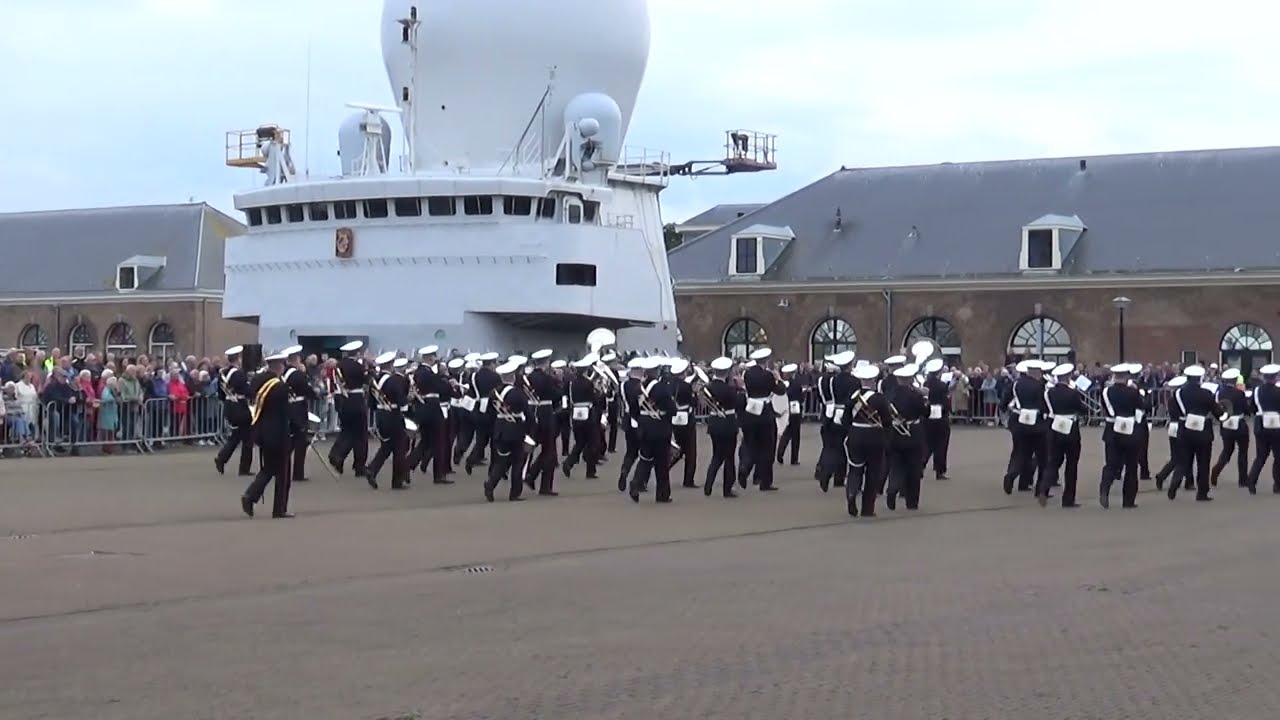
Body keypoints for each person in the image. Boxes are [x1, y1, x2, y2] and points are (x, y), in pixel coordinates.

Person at [240, 350, 296, 519]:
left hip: (261, 430)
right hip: (278, 433)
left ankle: (251, 496)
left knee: (269, 468)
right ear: (278, 365)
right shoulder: (280, 386)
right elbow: (286, 413)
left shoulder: (257, 381)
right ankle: (279, 509)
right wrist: (300, 427)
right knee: (283, 473)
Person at [843, 362, 892, 517]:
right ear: (873, 381)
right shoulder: (879, 399)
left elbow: (845, 420)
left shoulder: (852, 398)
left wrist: (852, 430)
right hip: (875, 438)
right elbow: (887, 422)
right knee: (873, 472)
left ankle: (851, 494)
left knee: (855, 469)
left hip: (856, 435)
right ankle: (867, 509)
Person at [628, 356, 678, 503]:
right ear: (656, 371)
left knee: (645, 458)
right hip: (660, 427)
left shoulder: (637, 387)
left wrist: (642, 420)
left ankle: (636, 483)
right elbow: (672, 410)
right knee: (662, 463)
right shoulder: (662, 388)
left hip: (644, 426)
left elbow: (633, 410)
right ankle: (662, 494)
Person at [737, 347, 786, 490]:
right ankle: (765, 482)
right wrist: (778, 379)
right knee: (767, 448)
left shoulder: (747, 374)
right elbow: (781, 391)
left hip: (751, 412)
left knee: (750, 444)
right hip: (765, 413)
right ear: (766, 361)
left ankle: (744, 467)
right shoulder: (768, 375)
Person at [1037, 363, 1084, 508]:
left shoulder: (1048, 393)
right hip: (1071, 428)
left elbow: (1043, 408)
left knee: (1053, 461)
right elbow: (1082, 409)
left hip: (1054, 427)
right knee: (1071, 465)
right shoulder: (1073, 393)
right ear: (1068, 376)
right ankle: (1068, 499)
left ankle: (1043, 488)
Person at [1001, 360, 1049, 494]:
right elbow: (1045, 405)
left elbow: (1004, 402)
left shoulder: (1015, 384)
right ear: (1037, 372)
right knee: (1042, 457)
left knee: (1019, 452)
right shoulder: (1041, 386)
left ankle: (1011, 475)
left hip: (1019, 421)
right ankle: (1040, 488)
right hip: (1037, 424)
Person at [1169, 364, 1216, 502]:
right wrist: (1224, 416)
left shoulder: (1178, 393)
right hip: (1203, 430)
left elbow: (1174, 411)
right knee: (1203, 463)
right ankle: (1202, 493)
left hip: (1185, 429)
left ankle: (1174, 485)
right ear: (1199, 378)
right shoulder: (1206, 393)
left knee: (1183, 461)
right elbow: (1216, 410)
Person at [484, 360, 528, 502]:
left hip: (500, 428)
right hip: (514, 429)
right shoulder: (517, 393)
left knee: (501, 461)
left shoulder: (493, 392)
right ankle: (515, 493)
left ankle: (490, 485)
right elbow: (525, 410)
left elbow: (488, 411)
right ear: (512, 376)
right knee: (517, 462)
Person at [884, 363, 927, 511]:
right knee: (914, 468)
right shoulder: (915, 395)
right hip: (913, 433)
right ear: (909, 379)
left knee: (896, 466)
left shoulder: (890, 395)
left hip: (894, 433)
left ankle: (892, 489)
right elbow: (925, 412)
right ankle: (912, 502)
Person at [366, 353, 411, 490]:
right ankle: (397, 481)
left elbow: (371, 402)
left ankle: (372, 469)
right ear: (391, 365)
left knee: (386, 446)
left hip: (381, 415)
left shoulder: (374, 380)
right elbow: (401, 401)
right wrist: (407, 403)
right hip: (393, 416)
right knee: (400, 448)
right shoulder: (393, 380)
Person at [328, 340, 370, 478]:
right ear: (357, 352)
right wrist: (368, 365)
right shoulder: (358, 366)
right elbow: (368, 380)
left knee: (346, 432)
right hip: (357, 400)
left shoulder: (338, 366)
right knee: (361, 435)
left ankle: (337, 455)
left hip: (344, 401)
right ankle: (359, 465)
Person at [702, 356, 742, 498]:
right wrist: (740, 388)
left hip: (714, 422)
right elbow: (738, 404)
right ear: (727, 371)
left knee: (717, 455)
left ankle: (709, 483)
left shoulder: (709, 387)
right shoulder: (729, 389)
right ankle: (727, 488)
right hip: (728, 423)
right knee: (729, 458)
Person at [816, 352, 855, 492]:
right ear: (850, 365)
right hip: (848, 414)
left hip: (834, 414)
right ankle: (836, 476)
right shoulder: (854, 381)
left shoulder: (832, 380)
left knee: (834, 446)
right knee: (844, 448)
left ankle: (831, 475)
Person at [215, 345, 253, 476]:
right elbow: (247, 391)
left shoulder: (223, 374)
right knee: (248, 438)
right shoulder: (239, 374)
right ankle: (244, 468)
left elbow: (220, 393)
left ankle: (222, 458)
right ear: (238, 358)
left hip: (229, 406)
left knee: (237, 436)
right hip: (240, 408)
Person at [561, 354, 602, 479]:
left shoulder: (570, 383)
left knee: (579, 442)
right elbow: (594, 400)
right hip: (588, 415)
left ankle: (569, 462)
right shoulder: (588, 383)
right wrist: (599, 392)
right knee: (593, 443)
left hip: (575, 414)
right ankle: (590, 471)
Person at [1209, 368, 1251, 489]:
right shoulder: (1239, 393)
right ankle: (1243, 479)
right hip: (1239, 423)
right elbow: (1245, 408)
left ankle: (1216, 470)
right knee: (1242, 452)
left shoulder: (1219, 392)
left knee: (1227, 450)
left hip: (1226, 423)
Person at [281, 346, 315, 483]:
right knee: (300, 442)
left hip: (287, 409)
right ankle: (298, 473)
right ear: (296, 359)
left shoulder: (283, 374)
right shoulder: (297, 374)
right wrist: (315, 394)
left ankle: (282, 468)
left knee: (290, 442)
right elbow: (306, 389)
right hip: (298, 410)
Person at [463, 352, 501, 474]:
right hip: (492, 409)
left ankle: (471, 459)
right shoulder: (496, 377)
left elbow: (472, 393)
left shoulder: (474, 376)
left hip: (479, 409)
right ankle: (493, 469)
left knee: (481, 440)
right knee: (494, 441)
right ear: (491, 363)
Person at [666, 358, 699, 488]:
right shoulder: (686, 386)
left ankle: (665, 469)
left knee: (679, 448)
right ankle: (688, 479)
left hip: (675, 419)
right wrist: (695, 393)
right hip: (687, 418)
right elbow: (694, 403)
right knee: (691, 451)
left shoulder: (669, 384)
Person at [1246, 363, 1280, 492]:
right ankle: (1277, 485)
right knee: (1278, 457)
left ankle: (1251, 481)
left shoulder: (1256, 391)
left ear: (1264, 377)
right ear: (1275, 377)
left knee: (1261, 456)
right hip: (1277, 425)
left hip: (1261, 424)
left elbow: (1252, 408)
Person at [921, 358, 952, 480]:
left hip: (927, 416)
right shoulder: (942, 385)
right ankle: (940, 470)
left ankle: (921, 466)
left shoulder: (925, 384)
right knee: (941, 444)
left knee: (927, 443)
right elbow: (946, 402)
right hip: (940, 416)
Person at [775, 363, 804, 465]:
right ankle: (794, 458)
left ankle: (780, 452)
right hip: (795, 408)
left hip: (787, 407)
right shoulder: (797, 383)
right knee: (795, 435)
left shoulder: (784, 384)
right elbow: (801, 397)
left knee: (787, 432)